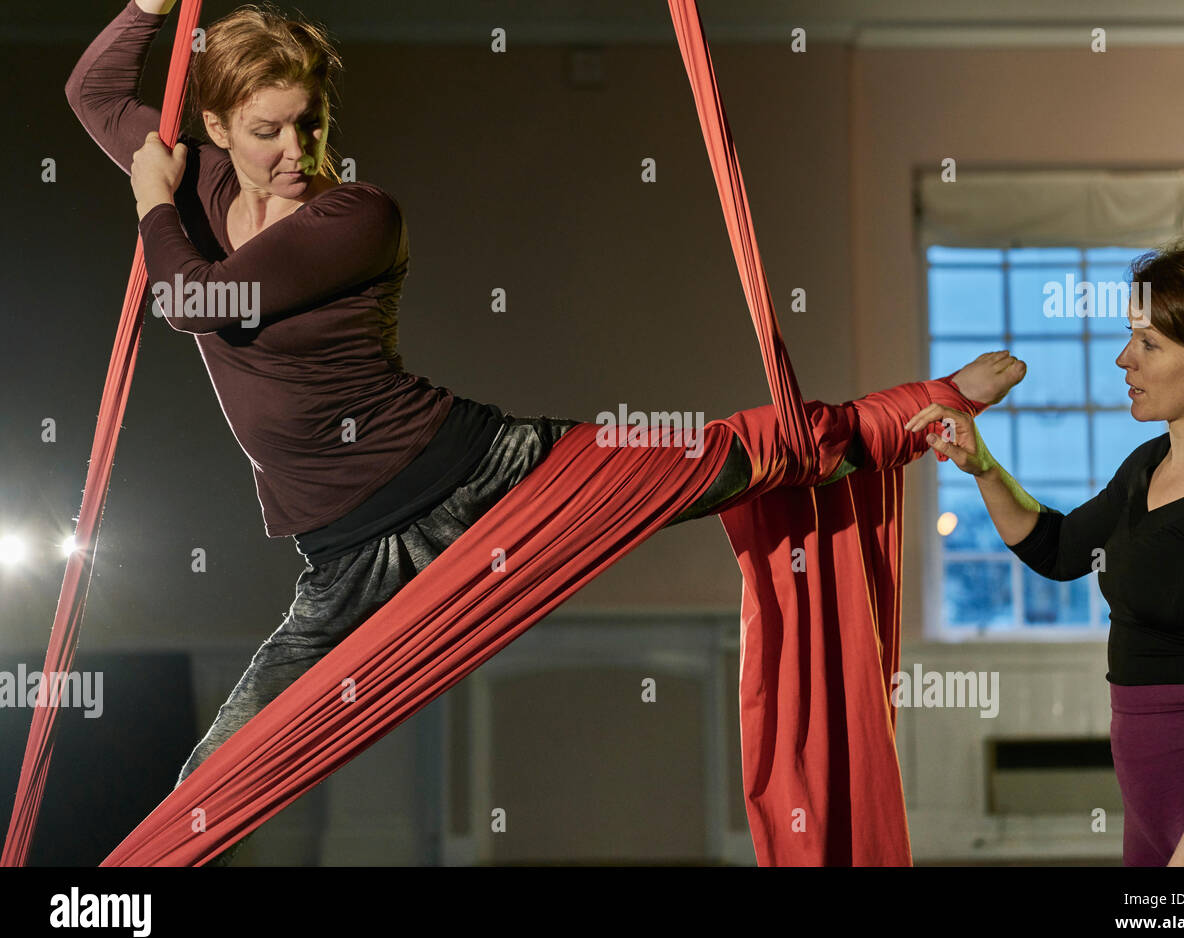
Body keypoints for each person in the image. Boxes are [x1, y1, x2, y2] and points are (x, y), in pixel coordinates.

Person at [69, 0, 1023, 864]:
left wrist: (153, 196)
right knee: (207, 792)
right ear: (215, 126)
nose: (293, 149)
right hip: (342, 558)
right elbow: (92, 88)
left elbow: (198, 299)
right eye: (266, 129)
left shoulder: (354, 214)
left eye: (309, 123)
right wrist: (154, 7)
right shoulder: (193, 191)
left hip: (486, 475)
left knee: (715, 459)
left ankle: (918, 406)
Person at [908, 240, 1184, 866]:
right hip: (1153, 816)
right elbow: (1060, 551)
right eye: (1131, 337)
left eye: (1150, 345)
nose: (1124, 359)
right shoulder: (1150, 465)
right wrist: (982, 468)